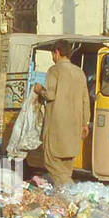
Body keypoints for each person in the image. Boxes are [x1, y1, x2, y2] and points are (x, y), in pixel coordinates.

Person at [33, 40, 90, 187]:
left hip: (57, 127)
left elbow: (50, 95)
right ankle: (66, 196)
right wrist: (85, 123)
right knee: (66, 167)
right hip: (74, 127)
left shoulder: (55, 70)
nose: (53, 57)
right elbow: (85, 100)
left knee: (51, 162)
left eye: (53, 54)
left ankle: (71, 191)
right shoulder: (80, 72)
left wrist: (39, 90)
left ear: (57, 52)